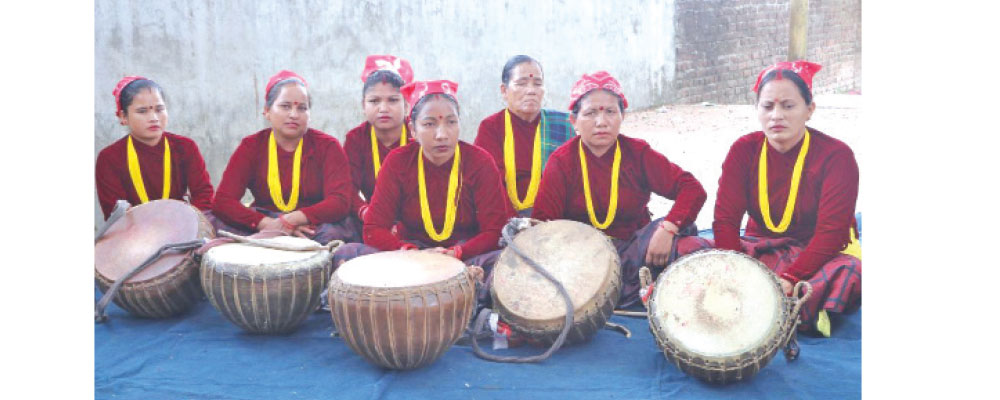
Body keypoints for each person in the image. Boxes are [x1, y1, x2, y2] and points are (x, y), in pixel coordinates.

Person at [675, 60, 861, 336]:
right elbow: (725, 220)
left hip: (817, 253)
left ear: (809, 110)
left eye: (788, 106)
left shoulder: (836, 156)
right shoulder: (743, 150)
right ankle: (781, 304)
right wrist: (736, 272)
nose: (777, 116)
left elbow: (831, 233)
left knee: (851, 271)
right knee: (686, 248)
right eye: (768, 106)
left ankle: (782, 304)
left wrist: (790, 278)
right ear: (757, 110)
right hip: (758, 249)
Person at [531, 71, 707, 308]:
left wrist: (668, 228)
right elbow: (543, 226)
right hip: (582, 259)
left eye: (610, 112)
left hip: (636, 252)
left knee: (693, 248)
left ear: (622, 116)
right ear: (574, 121)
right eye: (591, 113)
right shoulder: (561, 162)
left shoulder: (637, 153)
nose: (601, 122)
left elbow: (692, 189)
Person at [333, 80, 514, 301]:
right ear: (412, 130)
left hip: (466, 256)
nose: (441, 134)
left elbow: (494, 230)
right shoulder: (398, 161)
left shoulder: (479, 161)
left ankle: (460, 289)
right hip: (411, 257)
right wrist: (411, 253)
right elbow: (374, 228)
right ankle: (461, 293)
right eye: (429, 124)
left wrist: (457, 254)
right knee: (347, 254)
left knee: (510, 264)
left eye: (451, 122)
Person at [212, 70, 359, 244]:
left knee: (332, 235)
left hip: (313, 224)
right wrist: (267, 224)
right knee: (215, 222)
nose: (294, 114)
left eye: (302, 108)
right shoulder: (251, 146)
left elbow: (340, 201)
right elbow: (223, 200)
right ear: (267, 111)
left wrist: (291, 221)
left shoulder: (327, 146)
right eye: (285, 106)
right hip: (265, 221)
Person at [96, 76, 215, 220]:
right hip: (135, 234)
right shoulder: (109, 158)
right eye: (142, 111)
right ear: (123, 117)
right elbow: (115, 213)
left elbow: (204, 196)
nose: (154, 118)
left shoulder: (185, 147)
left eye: (159, 109)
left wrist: (188, 221)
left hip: (183, 226)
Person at [474, 55, 574, 216]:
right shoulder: (491, 127)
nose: (531, 91)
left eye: (538, 84)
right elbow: (489, 185)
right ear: (504, 91)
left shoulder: (562, 124)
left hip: (553, 216)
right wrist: (515, 223)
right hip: (503, 215)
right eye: (521, 84)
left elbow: (572, 182)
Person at [343, 55, 415, 222]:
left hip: (416, 220)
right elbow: (348, 189)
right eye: (374, 101)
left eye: (393, 100)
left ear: (406, 104)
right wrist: (365, 213)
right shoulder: (356, 139)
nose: (383, 108)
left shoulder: (418, 135)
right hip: (371, 218)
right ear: (363, 106)